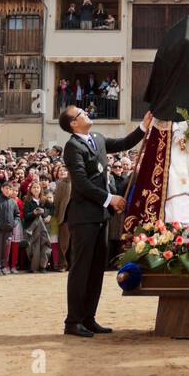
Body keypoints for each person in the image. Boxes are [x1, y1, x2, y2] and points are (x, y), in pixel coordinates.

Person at [59, 105, 151, 336]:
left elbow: (123, 143)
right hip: (83, 217)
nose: (86, 113)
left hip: (100, 216)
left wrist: (143, 126)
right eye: (81, 113)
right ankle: (73, 321)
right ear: (73, 123)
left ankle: (89, 318)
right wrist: (110, 199)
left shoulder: (97, 138)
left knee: (96, 269)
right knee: (81, 269)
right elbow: (81, 183)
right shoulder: (72, 146)